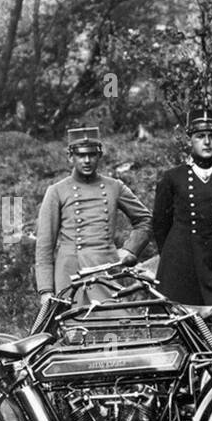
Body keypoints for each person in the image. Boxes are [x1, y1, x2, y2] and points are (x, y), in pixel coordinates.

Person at [151, 109, 212, 334]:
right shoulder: (172, 178)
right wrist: (172, 255)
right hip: (182, 261)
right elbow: (160, 225)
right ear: (189, 140)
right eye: (199, 136)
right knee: (181, 326)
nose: (207, 142)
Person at [35, 126, 152, 304]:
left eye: (92, 155)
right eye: (81, 155)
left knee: (109, 325)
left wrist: (130, 250)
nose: (87, 160)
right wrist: (45, 289)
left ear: (100, 156)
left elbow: (145, 220)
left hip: (105, 268)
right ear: (70, 157)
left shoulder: (115, 187)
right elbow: (44, 245)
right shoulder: (57, 191)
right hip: (69, 272)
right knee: (71, 326)